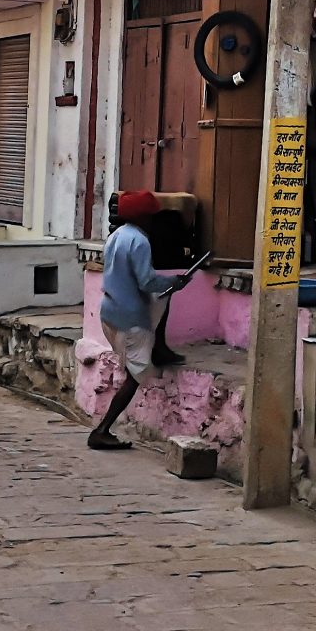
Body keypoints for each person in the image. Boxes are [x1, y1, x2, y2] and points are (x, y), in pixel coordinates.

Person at [88, 189, 192, 451]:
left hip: (109, 312)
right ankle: (102, 430)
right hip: (130, 318)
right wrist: (174, 282)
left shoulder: (116, 236)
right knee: (136, 376)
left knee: (162, 302)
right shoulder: (140, 241)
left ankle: (158, 349)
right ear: (145, 217)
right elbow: (146, 281)